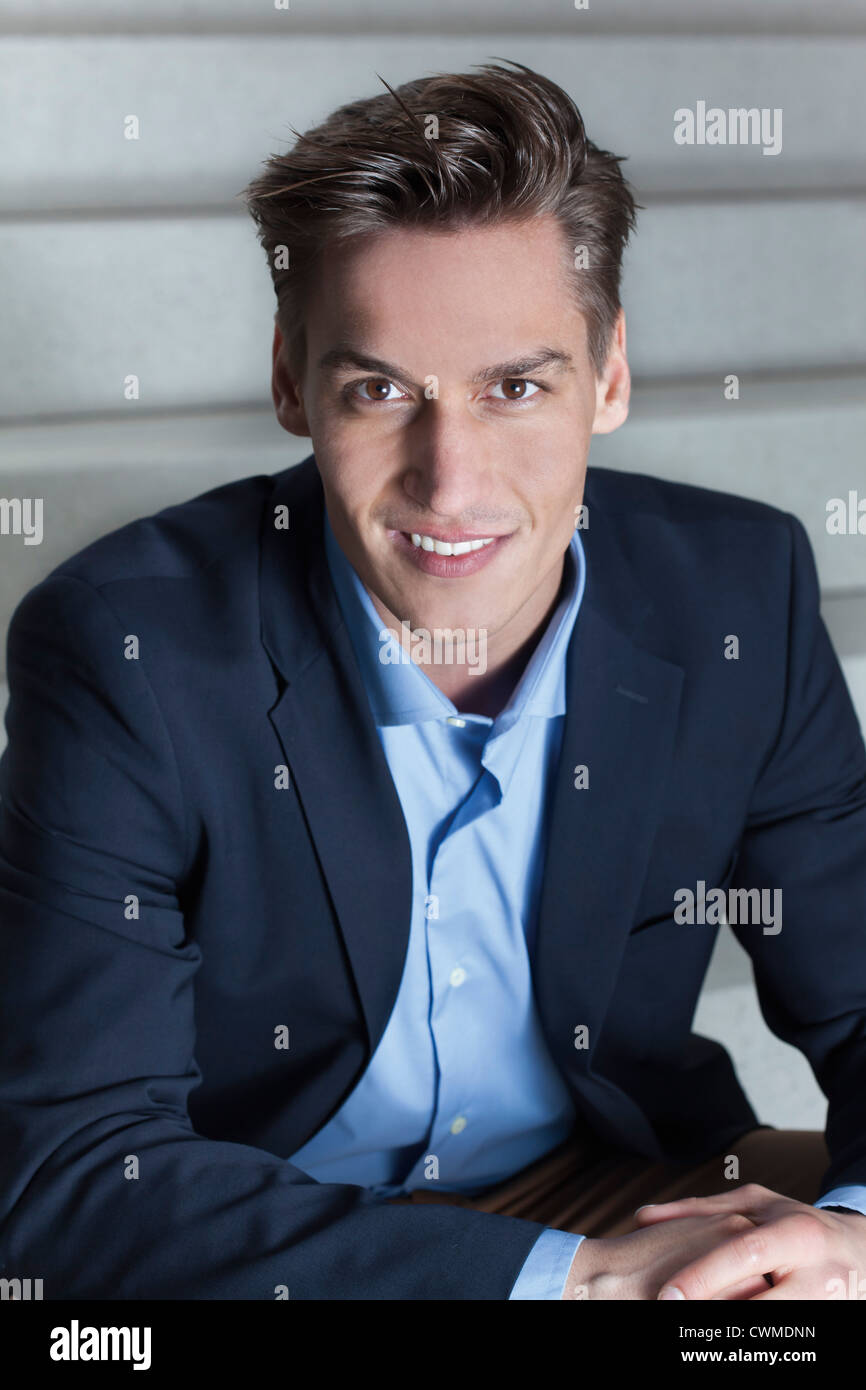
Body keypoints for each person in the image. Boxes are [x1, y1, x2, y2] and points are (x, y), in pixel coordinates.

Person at [1, 61, 865, 1302]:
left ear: (608, 374)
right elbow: (78, 1174)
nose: (448, 481)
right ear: (292, 382)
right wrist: (571, 1283)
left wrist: (845, 1229)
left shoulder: (736, 592)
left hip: (622, 1175)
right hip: (269, 1235)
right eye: (378, 390)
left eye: (515, 386)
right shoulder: (123, 647)